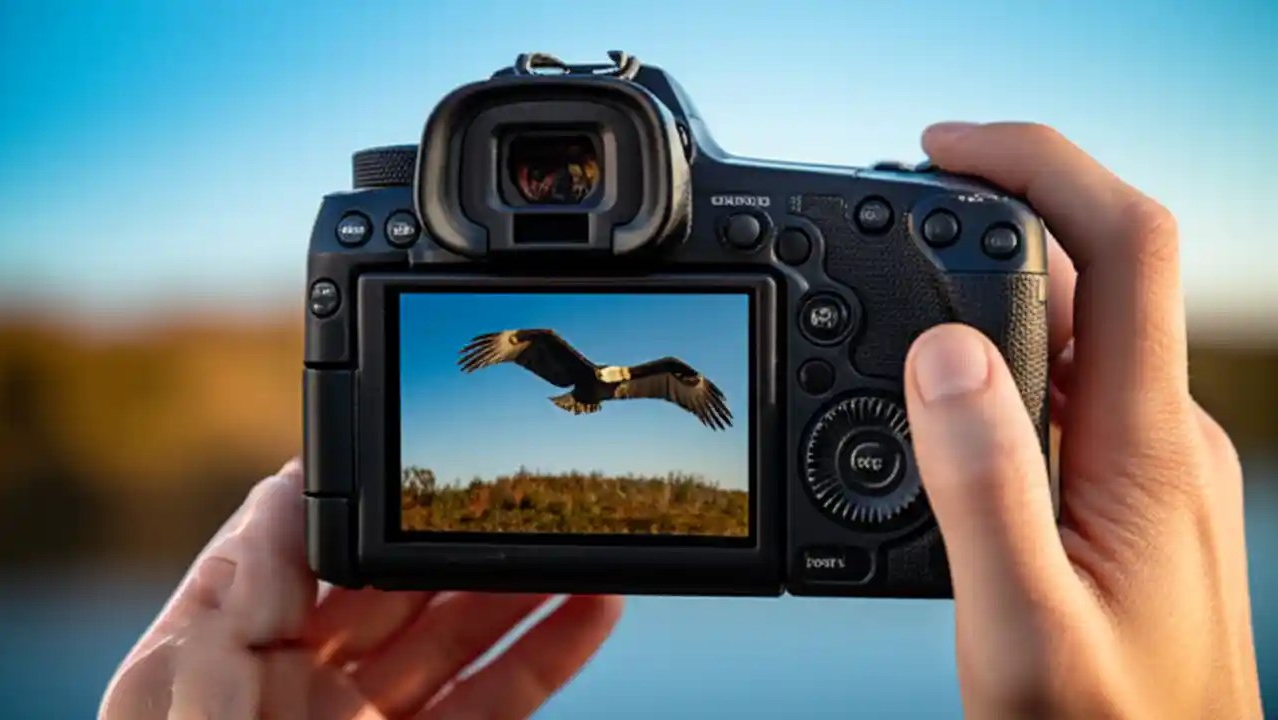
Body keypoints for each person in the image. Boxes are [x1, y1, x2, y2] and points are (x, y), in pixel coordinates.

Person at [99, 123, 1263, 719]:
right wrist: (519, 354)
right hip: (575, 396)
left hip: (593, 396)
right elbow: (509, 344)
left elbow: (685, 389)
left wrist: (669, 392)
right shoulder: (555, 360)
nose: (675, 386)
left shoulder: (637, 373)